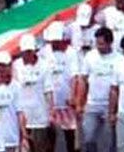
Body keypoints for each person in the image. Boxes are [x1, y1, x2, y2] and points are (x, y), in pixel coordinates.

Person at [79, 27, 122, 152]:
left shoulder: (119, 59)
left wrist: (115, 111)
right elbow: (83, 80)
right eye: (97, 43)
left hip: (110, 106)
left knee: (109, 142)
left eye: (101, 44)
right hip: (92, 104)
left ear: (110, 43)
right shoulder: (90, 57)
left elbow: (120, 86)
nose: (98, 46)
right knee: (89, 138)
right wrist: (80, 103)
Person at [40, 22, 80, 152]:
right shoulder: (44, 52)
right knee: (50, 135)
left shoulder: (71, 53)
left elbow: (75, 76)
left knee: (69, 134)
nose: (54, 43)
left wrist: (74, 96)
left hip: (66, 100)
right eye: (52, 40)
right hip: (50, 102)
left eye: (57, 40)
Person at [13, 34, 53, 152]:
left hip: (40, 117)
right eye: (25, 52)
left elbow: (48, 91)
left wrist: (51, 112)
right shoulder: (17, 66)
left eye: (30, 51)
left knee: (40, 148)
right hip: (23, 117)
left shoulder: (44, 65)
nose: (27, 55)